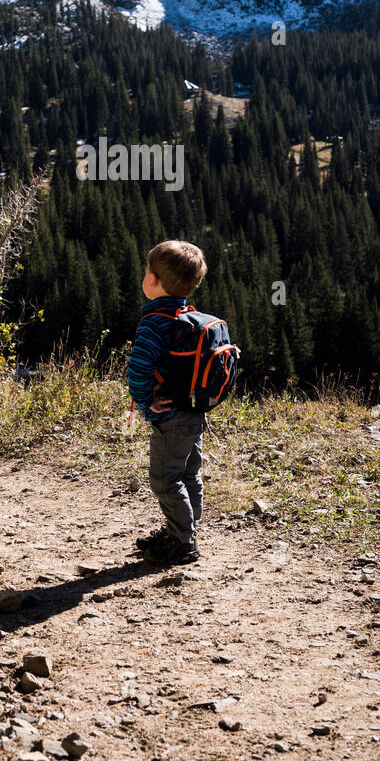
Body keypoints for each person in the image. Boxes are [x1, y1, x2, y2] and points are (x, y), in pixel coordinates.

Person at [127, 239, 209, 565]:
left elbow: (138, 370)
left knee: (165, 480)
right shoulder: (189, 317)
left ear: (154, 280)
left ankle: (182, 541)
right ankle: (184, 529)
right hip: (195, 413)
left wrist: (146, 405)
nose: (144, 274)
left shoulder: (153, 323)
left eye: (147, 270)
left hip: (170, 418)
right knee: (190, 475)